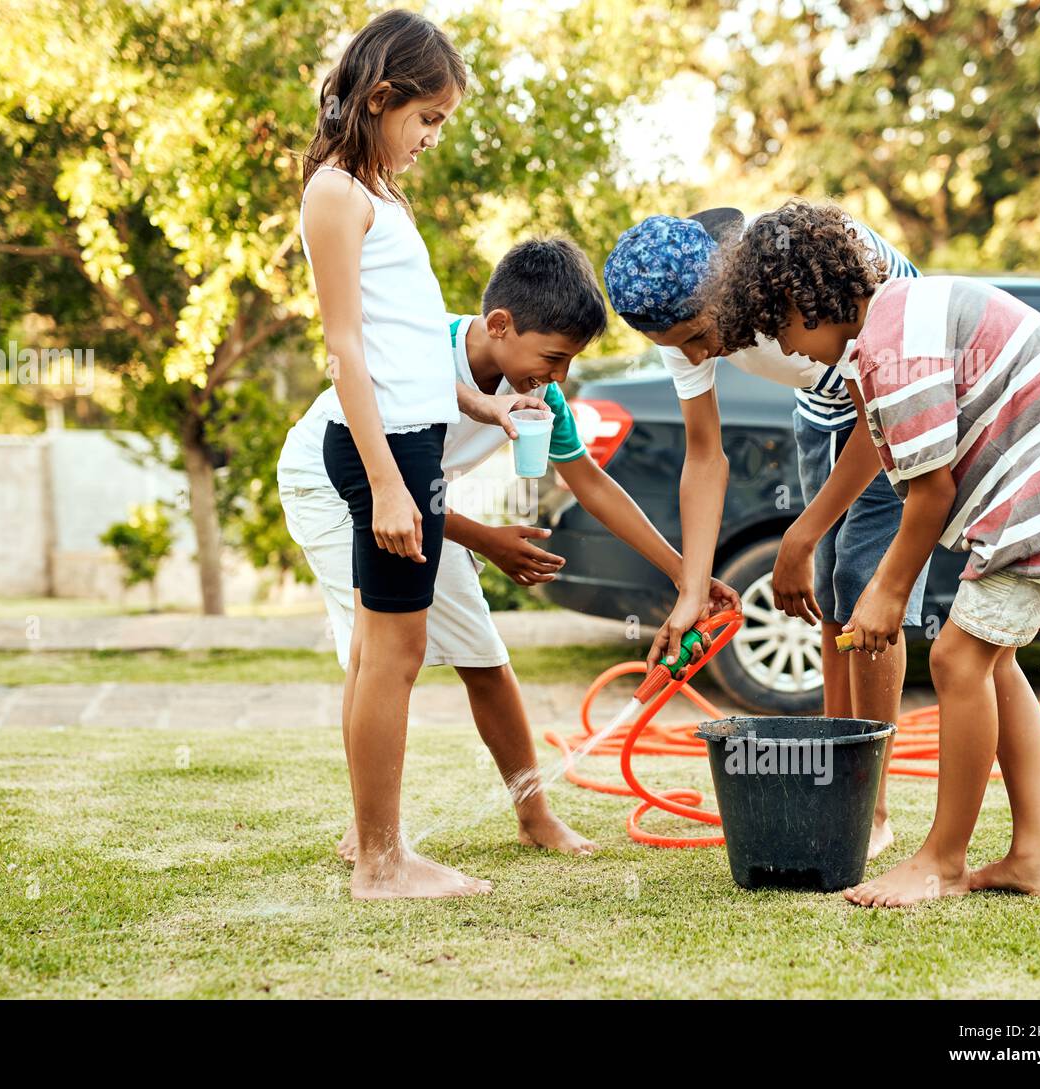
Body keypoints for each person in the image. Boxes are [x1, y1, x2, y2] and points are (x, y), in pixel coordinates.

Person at [709, 199, 1040, 907]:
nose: (788, 351)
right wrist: (817, 538)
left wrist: (887, 590)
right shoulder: (889, 322)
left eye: (780, 330)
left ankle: (941, 860)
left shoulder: (891, 343)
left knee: (955, 658)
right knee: (993, 663)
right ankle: (1035, 856)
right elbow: (888, 454)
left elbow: (930, 492)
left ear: (801, 301)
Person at [279, 236, 739, 863]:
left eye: (570, 363)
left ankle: (535, 816)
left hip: (424, 503)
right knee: (379, 650)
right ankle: (370, 835)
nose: (559, 379)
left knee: (485, 658)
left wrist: (690, 578)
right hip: (335, 484)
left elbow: (593, 485)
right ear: (500, 325)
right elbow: (381, 478)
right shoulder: (420, 349)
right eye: (553, 357)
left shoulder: (540, 396)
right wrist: (487, 541)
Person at [297, 9, 535, 900]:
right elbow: (347, 352)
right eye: (426, 118)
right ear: (383, 95)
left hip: (411, 439)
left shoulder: (380, 194)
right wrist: (391, 486)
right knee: (394, 656)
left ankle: (373, 844)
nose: (432, 138)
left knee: (377, 653)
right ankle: (380, 861)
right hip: (384, 453)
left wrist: (480, 403)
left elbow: (407, 345)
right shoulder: (337, 194)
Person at [603, 207, 925, 857]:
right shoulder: (678, 312)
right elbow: (704, 455)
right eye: (676, 346)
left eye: (697, 335)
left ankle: (872, 805)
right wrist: (691, 589)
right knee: (831, 602)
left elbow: (881, 415)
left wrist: (799, 537)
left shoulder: (803, 269)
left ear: (725, 287)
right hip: (825, 406)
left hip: (905, 391)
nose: (696, 356)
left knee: (864, 589)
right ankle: (843, 780)